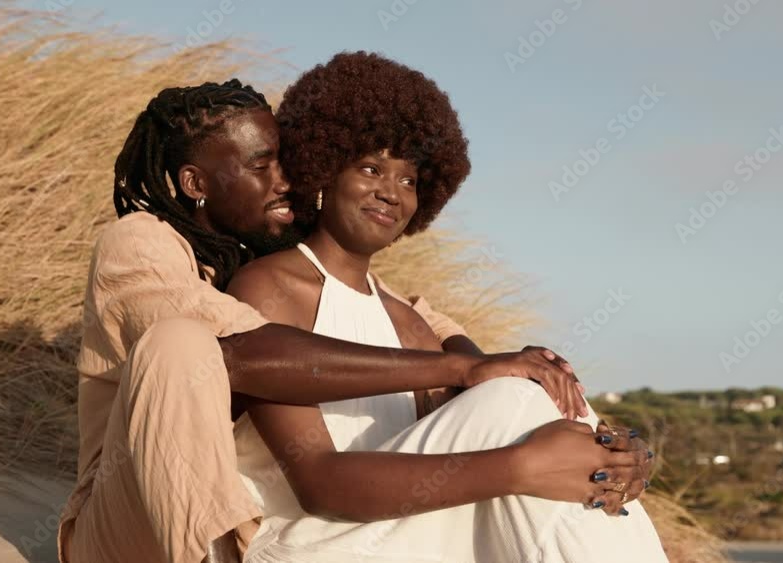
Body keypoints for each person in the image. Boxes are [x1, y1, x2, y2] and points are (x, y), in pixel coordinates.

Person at [57, 79, 650, 563]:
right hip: (127, 525)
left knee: (521, 393)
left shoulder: (304, 271)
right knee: (182, 344)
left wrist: (604, 446)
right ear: (196, 183)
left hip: (304, 528)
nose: (285, 181)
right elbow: (246, 354)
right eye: (263, 166)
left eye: (409, 180)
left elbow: (425, 321)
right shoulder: (142, 243)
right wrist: (469, 376)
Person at [225, 52, 667, 562]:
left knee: (537, 389)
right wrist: (523, 466)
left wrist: (615, 455)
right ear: (323, 170)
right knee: (513, 397)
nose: (391, 193)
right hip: (310, 544)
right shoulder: (270, 287)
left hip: (409, 540)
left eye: (409, 180)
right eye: (371, 168)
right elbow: (321, 486)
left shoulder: (409, 324)